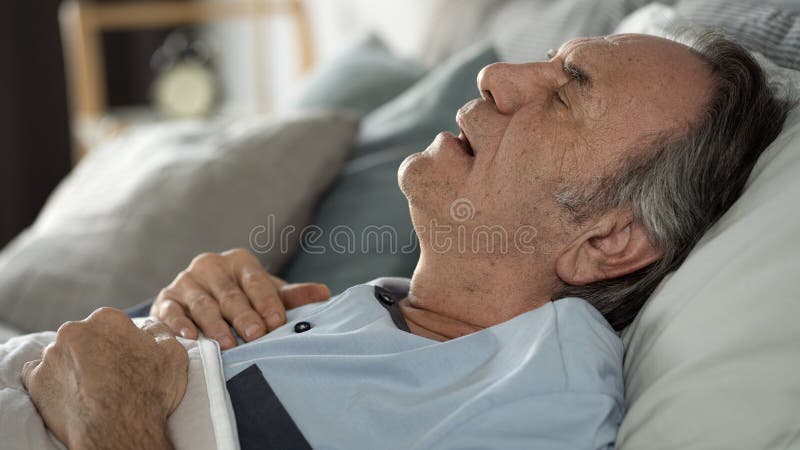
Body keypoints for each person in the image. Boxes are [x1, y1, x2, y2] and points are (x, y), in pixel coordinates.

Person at [20, 32, 793, 449]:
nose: (495, 74)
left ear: (609, 242)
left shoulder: (542, 394)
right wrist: (167, 316)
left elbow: (103, 398)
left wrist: (111, 418)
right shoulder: (375, 312)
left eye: (565, 92)